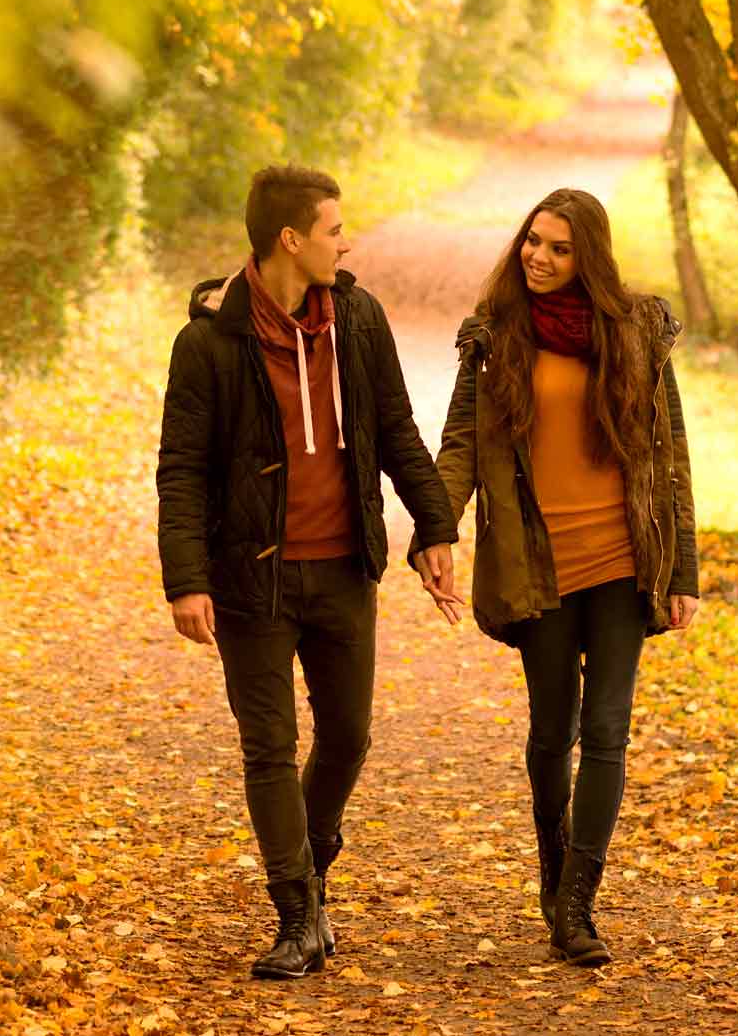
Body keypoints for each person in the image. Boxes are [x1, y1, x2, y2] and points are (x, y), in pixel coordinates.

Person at [157, 164, 459, 980]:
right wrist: (186, 578)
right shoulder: (209, 343)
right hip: (252, 578)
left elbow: (397, 428)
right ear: (291, 239)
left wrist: (436, 526)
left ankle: (310, 868)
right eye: (333, 229)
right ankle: (296, 916)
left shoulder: (359, 320)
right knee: (269, 750)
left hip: (343, 570)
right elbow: (181, 468)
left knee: (349, 736)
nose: (345, 241)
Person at [415, 187, 699, 967]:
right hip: (538, 566)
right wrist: (434, 531)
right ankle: (554, 858)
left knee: (608, 730)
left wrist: (687, 570)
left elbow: (670, 457)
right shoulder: (496, 333)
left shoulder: (639, 331)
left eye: (559, 248)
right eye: (532, 241)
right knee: (554, 733)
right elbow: (462, 443)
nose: (538, 256)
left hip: (620, 558)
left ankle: (576, 903)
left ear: (590, 258)